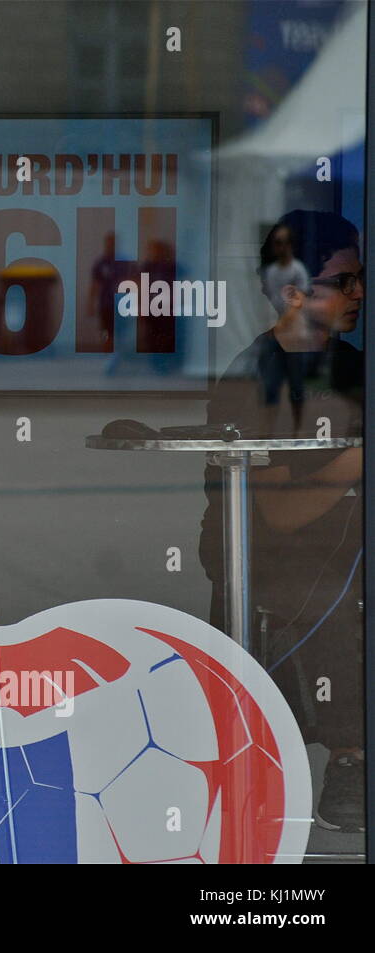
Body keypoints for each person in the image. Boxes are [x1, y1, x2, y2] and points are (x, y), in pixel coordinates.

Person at [199, 209, 365, 833]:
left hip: (343, 544)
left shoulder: (353, 368)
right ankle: (349, 759)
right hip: (267, 556)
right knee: (329, 593)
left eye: (360, 278)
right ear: (293, 293)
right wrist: (357, 462)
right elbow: (278, 513)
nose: (359, 293)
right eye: (343, 281)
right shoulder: (253, 378)